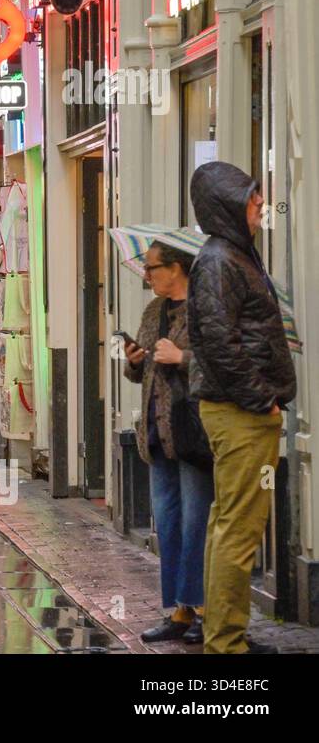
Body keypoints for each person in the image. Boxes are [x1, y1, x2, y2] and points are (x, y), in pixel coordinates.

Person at [187, 162, 297, 654]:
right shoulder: (219, 261)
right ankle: (226, 644)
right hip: (242, 414)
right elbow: (219, 343)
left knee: (227, 524)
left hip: (240, 410)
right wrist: (262, 401)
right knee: (239, 528)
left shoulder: (230, 256)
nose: (260, 204)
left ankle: (224, 633)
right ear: (228, 204)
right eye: (251, 197)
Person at [122, 241, 211, 645]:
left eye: (152, 268)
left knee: (196, 521)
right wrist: (134, 361)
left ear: (176, 268)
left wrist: (182, 357)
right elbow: (141, 373)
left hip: (192, 432)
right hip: (156, 432)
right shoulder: (153, 310)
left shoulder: (205, 310)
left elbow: (220, 364)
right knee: (169, 522)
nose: (147, 275)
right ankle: (178, 609)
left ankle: (203, 608)